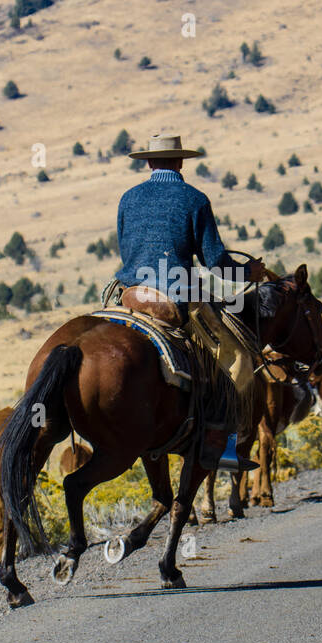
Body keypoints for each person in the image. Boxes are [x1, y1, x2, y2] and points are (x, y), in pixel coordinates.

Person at [114, 134, 264, 473]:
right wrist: (248, 272)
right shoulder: (194, 200)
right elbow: (217, 265)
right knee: (237, 360)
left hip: (130, 294)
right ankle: (223, 450)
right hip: (174, 296)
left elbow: (127, 251)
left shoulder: (128, 198)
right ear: (180, 162)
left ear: (149, 163)